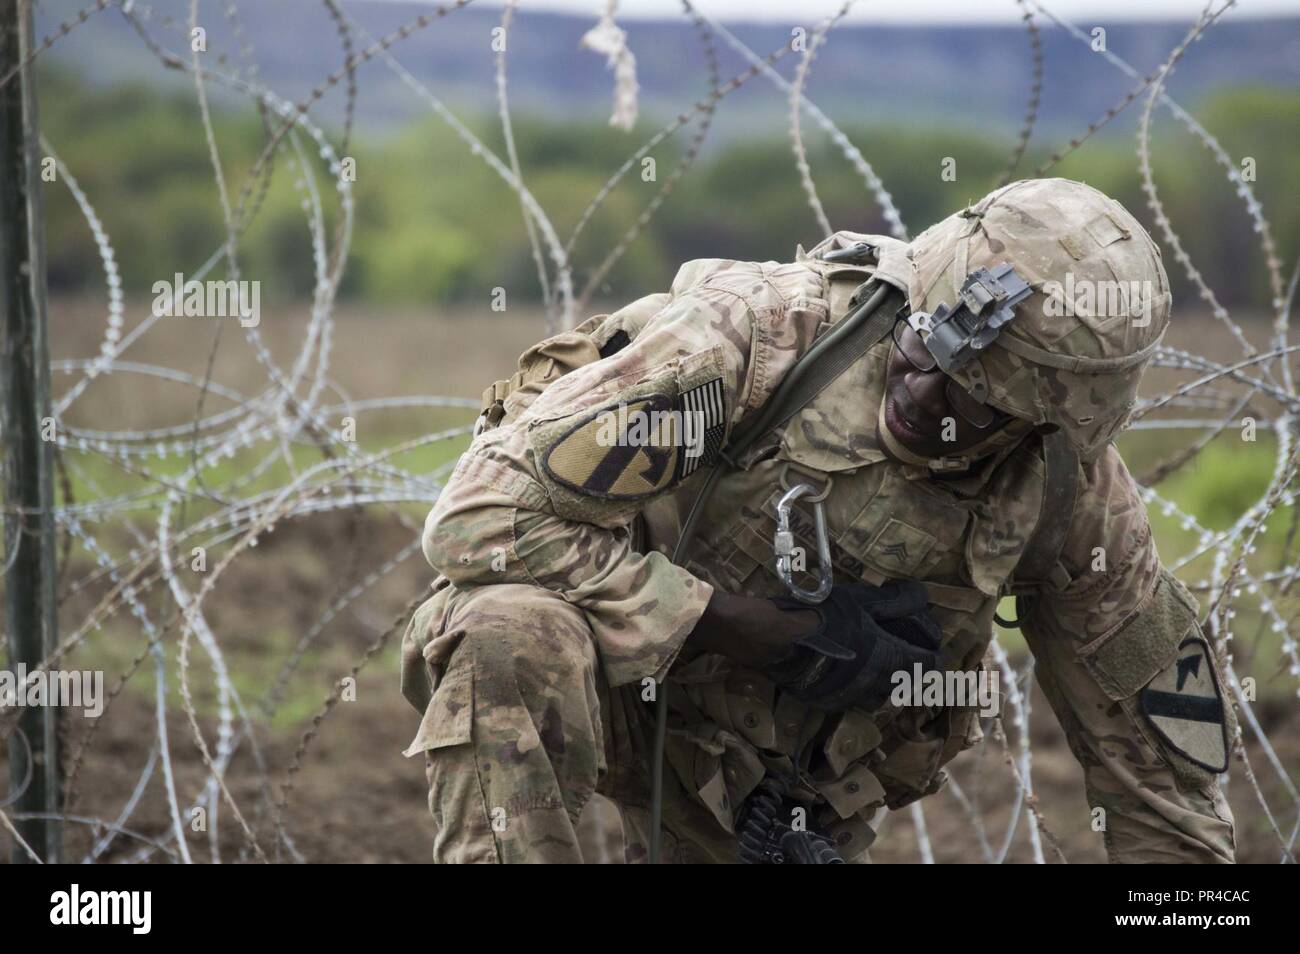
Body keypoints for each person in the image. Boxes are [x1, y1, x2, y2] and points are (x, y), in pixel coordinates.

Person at [400, 177, 1236, 863]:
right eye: (918, 349)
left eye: (972, 403)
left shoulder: (1069, 494)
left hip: (772, 790)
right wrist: (742, 626)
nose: (920, 396)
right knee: (504, 630)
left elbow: (1159, 786)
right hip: (612, 688)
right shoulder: (758, 342)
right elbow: (480, 516)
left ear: (1042, 422)